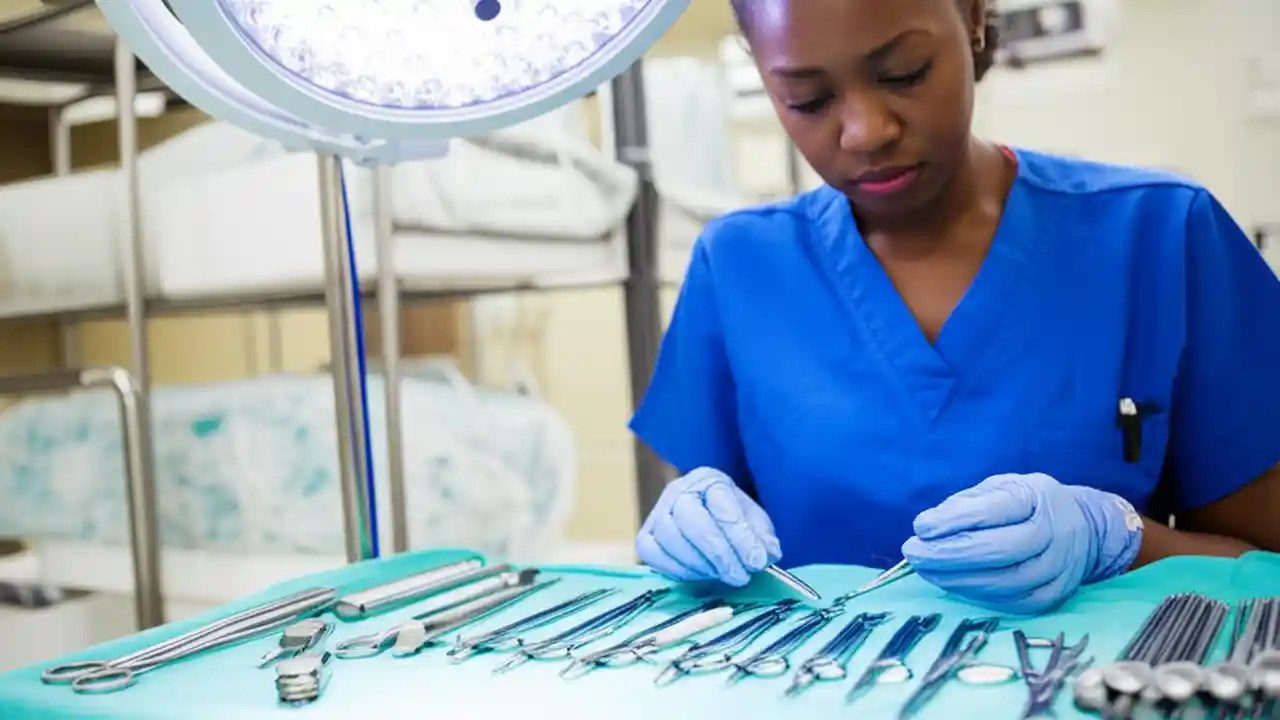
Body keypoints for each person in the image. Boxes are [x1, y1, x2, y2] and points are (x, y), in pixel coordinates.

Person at [629, 0, 1280, 615]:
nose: (866, 131)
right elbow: (712, 550)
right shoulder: (739, 265)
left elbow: (1265, 568)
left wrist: (1116, 541)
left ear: (972, 15)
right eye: (809, 98)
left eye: (904, 74)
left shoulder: (1160, 235)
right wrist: (692, 533)